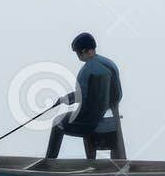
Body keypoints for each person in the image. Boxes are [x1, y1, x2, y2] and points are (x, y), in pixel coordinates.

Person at [44, 33, 126, 164]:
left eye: (77, 53)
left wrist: (64, 99)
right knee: (77, 115)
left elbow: (81, 96)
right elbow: (118, 95)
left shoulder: (87, 70)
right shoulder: (110, 64)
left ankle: (48, 163)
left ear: (83, 51)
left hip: (91, 123)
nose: (78, 56)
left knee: (58, 122)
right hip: (112, 119)